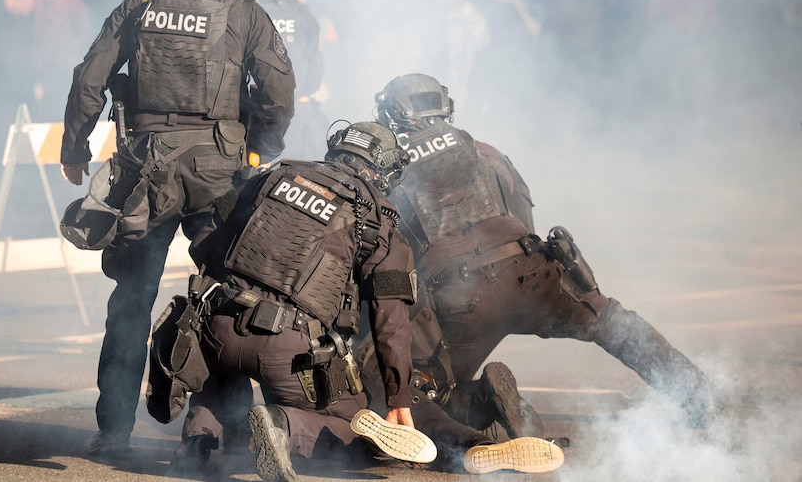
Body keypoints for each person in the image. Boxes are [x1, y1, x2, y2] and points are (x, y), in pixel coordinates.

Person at [59, 0, 295, 457]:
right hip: (220, 170)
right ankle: (215, 431)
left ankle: (112, 432)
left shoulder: (139, 4)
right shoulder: (246, 13)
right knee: (229, 294)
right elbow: (279, 93)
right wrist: (264, 149)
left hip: (142, 172)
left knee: (131, 300)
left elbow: (88, 78)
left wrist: (76, 150)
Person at [373, 73, 717, 428]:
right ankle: (693, 391)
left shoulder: (387, 172)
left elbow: (385, 255)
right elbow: (523, 216)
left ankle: (490, 401)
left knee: (426, 395)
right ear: (444, 108)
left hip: (459, 299)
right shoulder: (482, 151)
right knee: (611, 321)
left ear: (395, 115)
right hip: (530, 272)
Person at [172, 121, 427, 482]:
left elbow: (209, 233)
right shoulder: (376, 220)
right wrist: (398, 396)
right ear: (382, 170)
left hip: (218, 326)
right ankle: (282, 426)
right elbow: (391, 320)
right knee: (354, 426)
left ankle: (197, 444)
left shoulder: (270, 177)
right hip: (287, 347)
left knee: (223, 363)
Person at [358, 282, 565, 475]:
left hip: (382, 363)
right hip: (426, 353)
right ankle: (483, 397)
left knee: (431, 420)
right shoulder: (397, 261)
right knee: (446, 395)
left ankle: (477, 446)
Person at [240, 0, 328, 160]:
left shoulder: (229, 5)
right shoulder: (298, 9)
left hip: (242, 127)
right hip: (296, 122)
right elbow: (315, 66)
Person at [3, 0, 90, 121]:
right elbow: (10, 4)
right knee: (43, 107)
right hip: (43, 66)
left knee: (65, 103)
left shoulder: (72, 1)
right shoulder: (39, 1)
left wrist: (69, 49)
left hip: (64, 64)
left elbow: (85, 31)